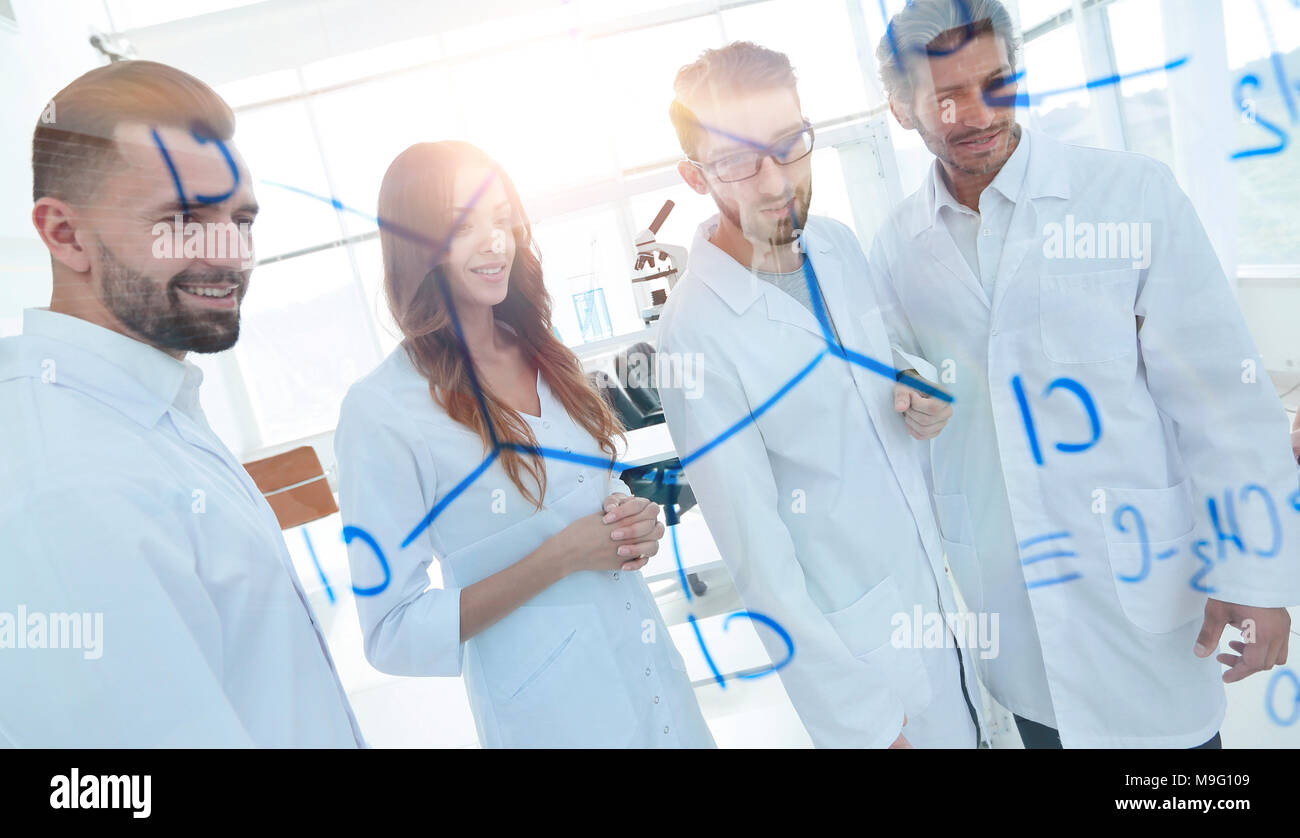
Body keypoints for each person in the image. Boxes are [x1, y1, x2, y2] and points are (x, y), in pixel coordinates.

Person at [869, 0, 1299, 748]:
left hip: (1143, 596)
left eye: (994, 83)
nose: (975, 113)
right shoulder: (897, 248)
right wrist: (910, 391)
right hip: (1015, 612)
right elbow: (896, 391)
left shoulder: (1129, 194)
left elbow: (1221, 401)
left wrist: (1258, 576)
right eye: (944, 96)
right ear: (901, 110)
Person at [0, 61, 363, 746]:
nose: (230, 255)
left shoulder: (148, 412)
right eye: (183, 221)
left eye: (242, 218)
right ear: (65, 235)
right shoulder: (64, 488)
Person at [655, 41, 983, 749]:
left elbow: (875, 370)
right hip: (863, 667)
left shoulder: (834, 245)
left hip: (937, 605)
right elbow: (758, 562)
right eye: (739, 161)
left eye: (788, 146)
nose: (774, 182)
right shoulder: (696, 336)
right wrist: (862, 727)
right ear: (695, 174)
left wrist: (916, 388)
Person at [334, 141, 714, 748]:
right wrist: (560, 557)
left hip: (651, 678)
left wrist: (631, 518)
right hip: (550, 718)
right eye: (464, 224)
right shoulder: (383, 411)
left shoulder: (538, 347)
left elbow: (588, 486)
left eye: (502, 216)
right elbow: (392, 631)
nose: (495, 241)